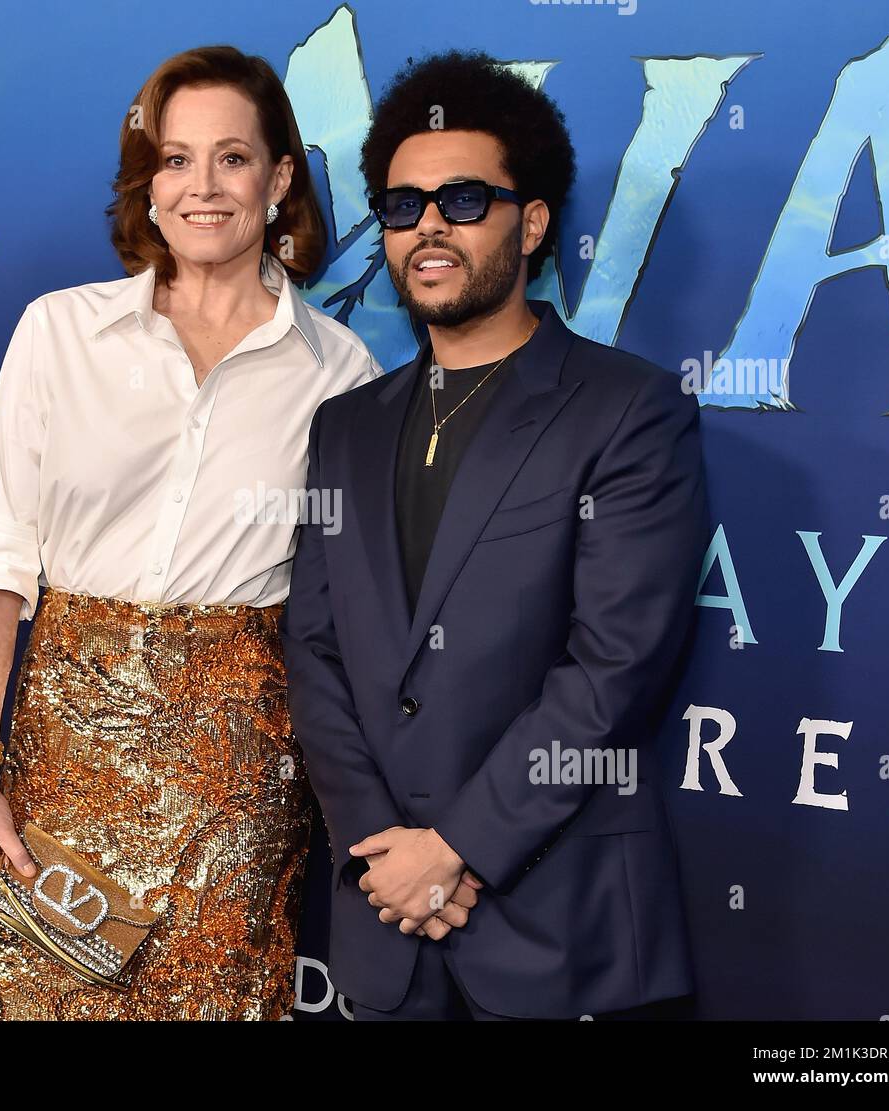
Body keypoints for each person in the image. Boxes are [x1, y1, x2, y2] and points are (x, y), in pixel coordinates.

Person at [0, 45, 382, 1020]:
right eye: (174, 159)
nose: (201, 187)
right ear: (146, 182)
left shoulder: (341, 372)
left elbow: (343, 608)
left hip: (236, 783)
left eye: (231, 158)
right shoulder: (58, 334)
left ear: (277, 180)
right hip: (64, 769)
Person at [280, 49, 709, 1021]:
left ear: (534, 222)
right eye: (401, 206)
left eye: (464, 199)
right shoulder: (344, 426)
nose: (428, 225)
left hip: (563, 935)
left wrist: (455, 847)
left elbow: (615, 667)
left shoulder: (626, 410)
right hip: (385, 932)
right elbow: (313, 652)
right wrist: (383, 849)